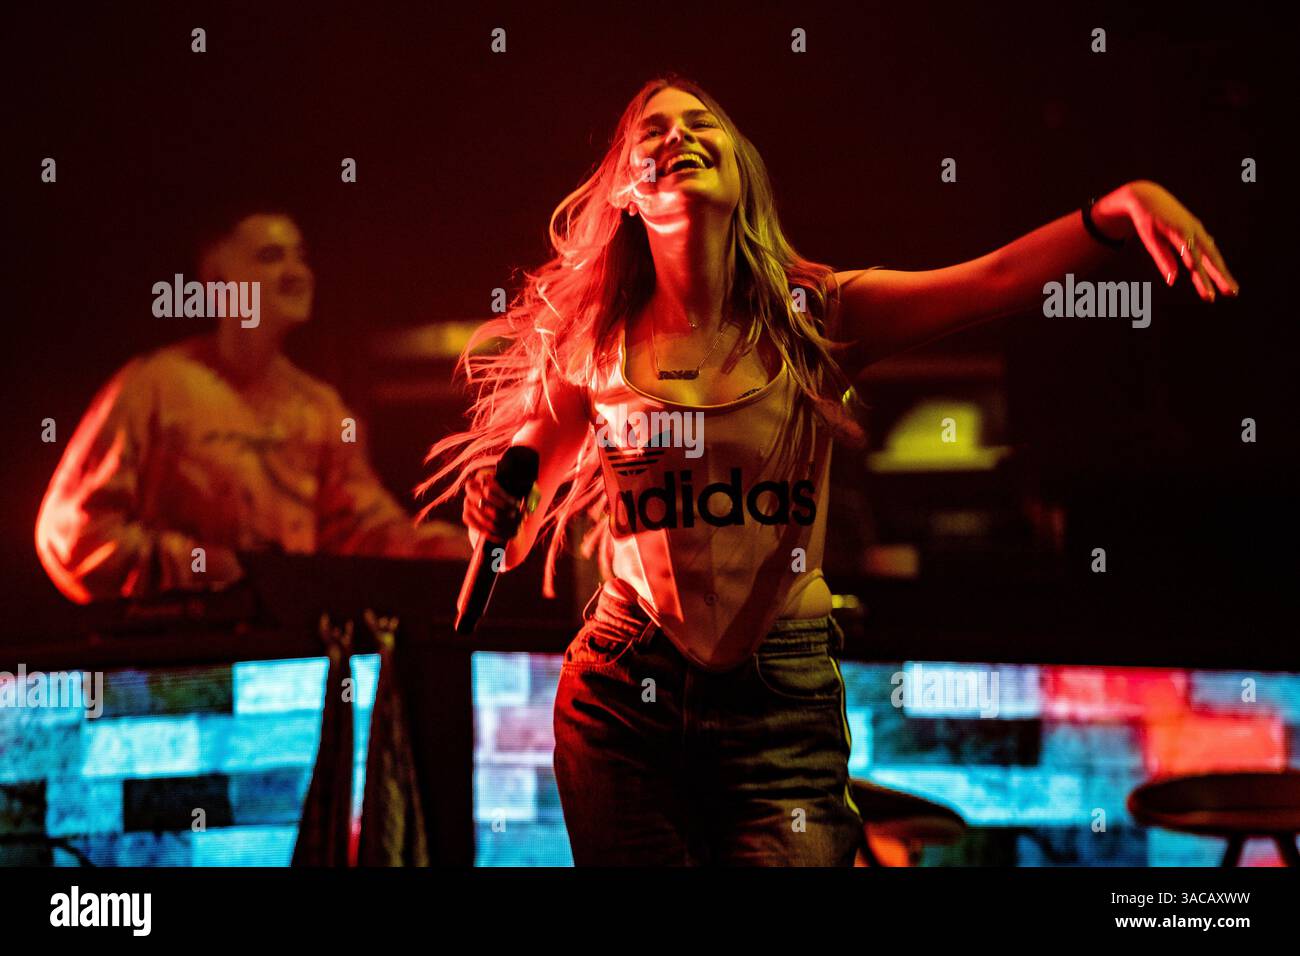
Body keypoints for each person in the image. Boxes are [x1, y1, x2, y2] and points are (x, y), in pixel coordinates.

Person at [419, 74, 1239, 865]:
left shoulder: (821, 314)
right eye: (654, 132)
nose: (680, 137)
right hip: (623, 692)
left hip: (781, 696)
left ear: (743, 172)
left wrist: (1116, 210)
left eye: (702, 125)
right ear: (627, 193)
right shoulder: (595, 342)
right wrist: (496, 524)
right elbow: (515, 532)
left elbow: (991, 281)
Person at [36, 204, 469, 605]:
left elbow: (365, 535)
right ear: (214, 275)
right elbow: (73, 531)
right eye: (269, 256)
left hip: (288, 664)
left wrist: (462, 547)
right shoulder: (155, 386)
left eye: (300, 256)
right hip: (177, 666)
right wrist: (205, 566)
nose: (296, 271)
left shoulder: (320, 409)